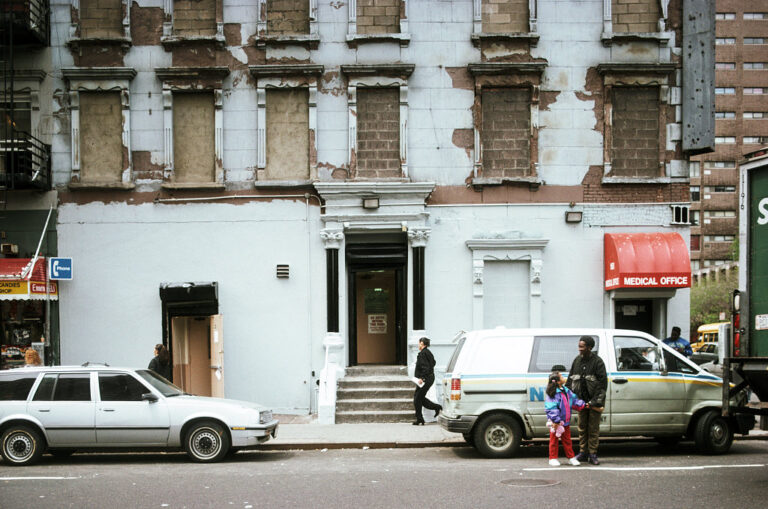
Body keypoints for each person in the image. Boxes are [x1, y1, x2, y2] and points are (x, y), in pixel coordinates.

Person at [565, 335, 607, 465]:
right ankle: (583, 452)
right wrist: (569, 397)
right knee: (582, 428)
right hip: (581, 402)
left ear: (589, 347)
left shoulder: (598, 362)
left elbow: (602, 384)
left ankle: (592, 454)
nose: (580, 349)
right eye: (579, 346)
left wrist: (594, 402)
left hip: (594, 403)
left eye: (582, 347)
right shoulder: (576, 361)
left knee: (593, 429)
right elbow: (570, 380)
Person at [544, 370, 585, 467]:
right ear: (558, 381)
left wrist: (582, 405)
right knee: (554, 440)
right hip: (556, 422)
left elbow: (573, 400)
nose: (564, 377)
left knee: (567, 440)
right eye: (561, 377)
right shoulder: (553, 393)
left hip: (565, 422)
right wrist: (556, 420)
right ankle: (552, 458)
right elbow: (551, 407)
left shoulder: (566, 390)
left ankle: (571, 457)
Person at [412, 337, 442, 425]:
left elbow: (425, 367)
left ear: (422, 343)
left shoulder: (423, 354)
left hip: (425, 379)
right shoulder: (428, 352)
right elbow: (433, 363)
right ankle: (436, 407)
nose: (418, 345)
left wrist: (422, 378)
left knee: (417, 398)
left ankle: (420, 419)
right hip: (429, 378)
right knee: (418, 398)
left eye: (419, 343)